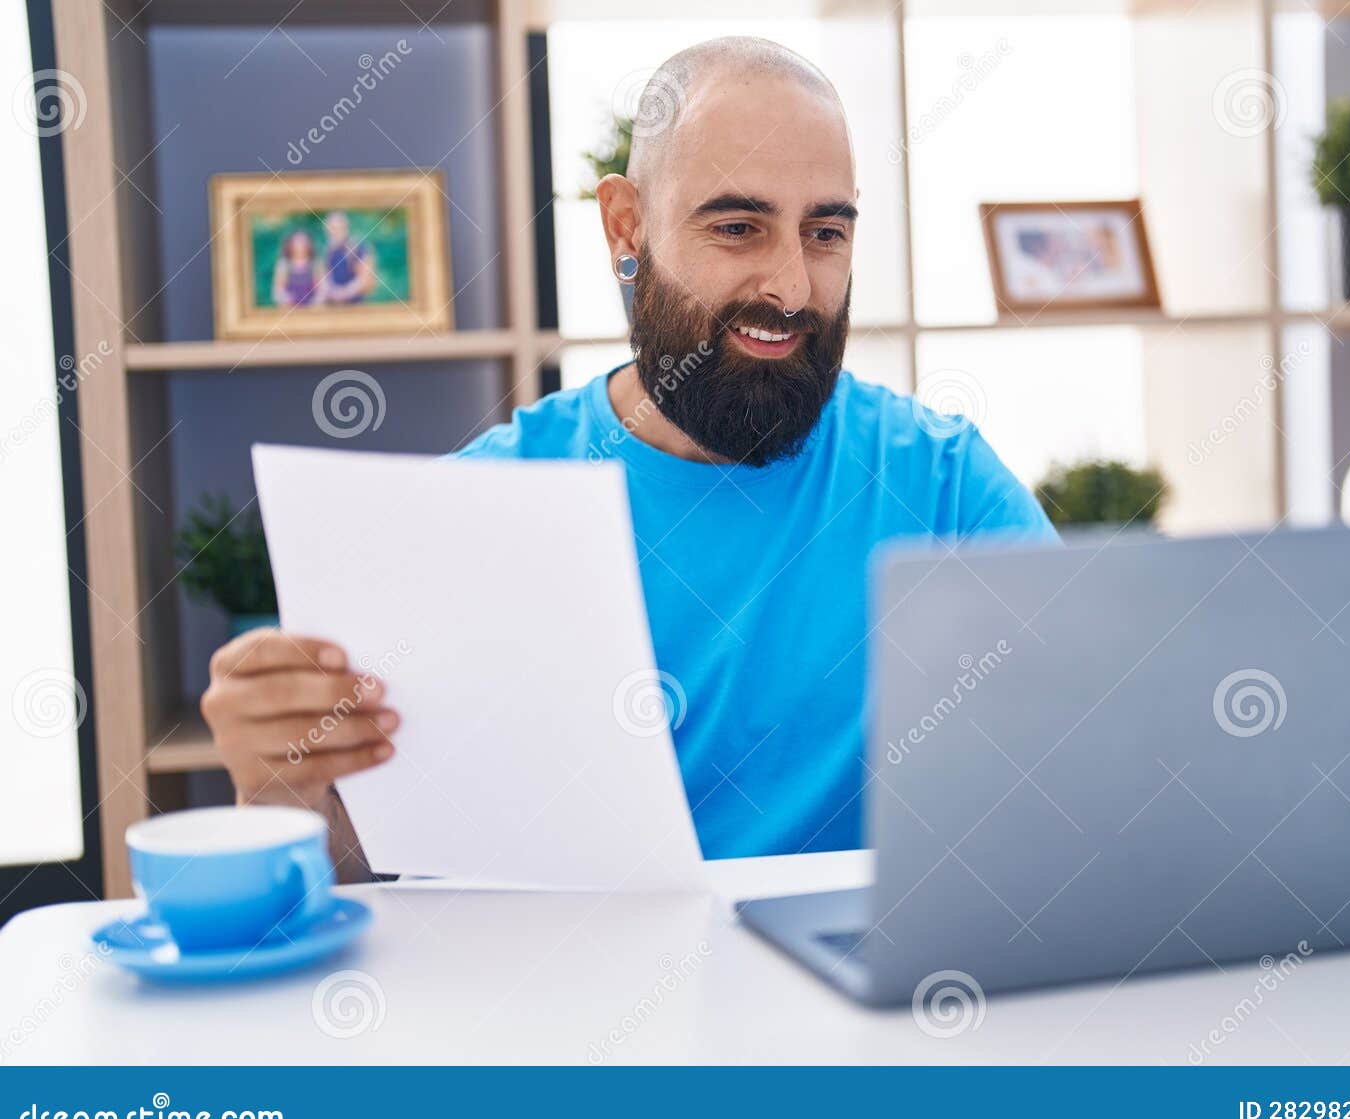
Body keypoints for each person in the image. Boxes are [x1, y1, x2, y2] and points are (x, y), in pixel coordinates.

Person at [200, 37, 1056, 880]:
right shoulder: (481, 506)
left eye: (825, 232)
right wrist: (281, 786)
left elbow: (1082, 775)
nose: (790, 287)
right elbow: (375, 876)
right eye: (737, 226)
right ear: (626, 225)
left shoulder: (944, 489)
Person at [319, 211, 377, 304]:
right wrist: (329, 292)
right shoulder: (328, 251)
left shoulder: (359, 247)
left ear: (345, 227)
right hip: (333, 306)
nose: (333, 232)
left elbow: (365, 280)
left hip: (356, 306)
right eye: (330, 228)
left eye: (337, 228)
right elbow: (324, 279)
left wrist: (343, 293)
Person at [269, 229, 322, 307]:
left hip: (312, 310)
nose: (300, 245)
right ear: (290, 245)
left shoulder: (315, 264)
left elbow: (322, 290)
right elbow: (277, 292)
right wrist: (285, 299)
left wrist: (315, 303)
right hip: (290, 309)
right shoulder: (283, 265)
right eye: (297, 242)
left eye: (303, 242)